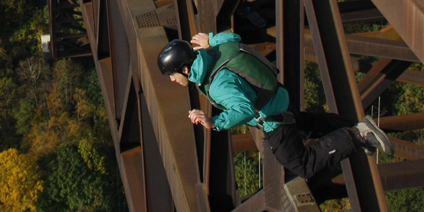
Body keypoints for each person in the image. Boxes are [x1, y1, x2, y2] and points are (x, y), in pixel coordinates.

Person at [157, 33, 393, 180]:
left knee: (301, 164)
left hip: (272, 117)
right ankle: (355, 127)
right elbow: (234, 37)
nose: (171, 79)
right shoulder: (215, 50)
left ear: (186, 69)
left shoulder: (218, 85)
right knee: (302, 125)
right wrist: (211, 39)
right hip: (279, 95)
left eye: (172, 74)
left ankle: (358, 136)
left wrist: (215, 122)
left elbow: (244, 110)